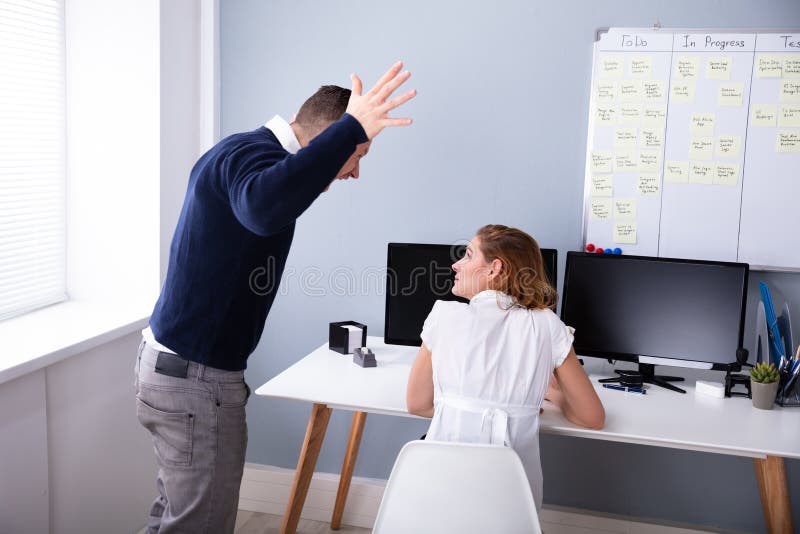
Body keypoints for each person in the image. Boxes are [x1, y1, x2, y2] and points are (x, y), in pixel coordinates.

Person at [134, 62, 416, 533]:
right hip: (194, 383)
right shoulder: (251, 156)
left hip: (176, 371)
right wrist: (351, 131)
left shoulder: (246, 154)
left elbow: (272, 200)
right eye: (357, 154)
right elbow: (264, 208)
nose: (355, 172)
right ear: (328, 135)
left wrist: (346, 139)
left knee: (173, 520)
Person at [406, 224, 604, 511]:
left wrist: (463, 411)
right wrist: (547, 397)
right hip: (512, 513)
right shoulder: (547, 325)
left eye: (468, 255)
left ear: (494, 268)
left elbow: (416, 404)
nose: (456, 264)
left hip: (441, 509)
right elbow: (592, 417)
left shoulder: (443, 315)